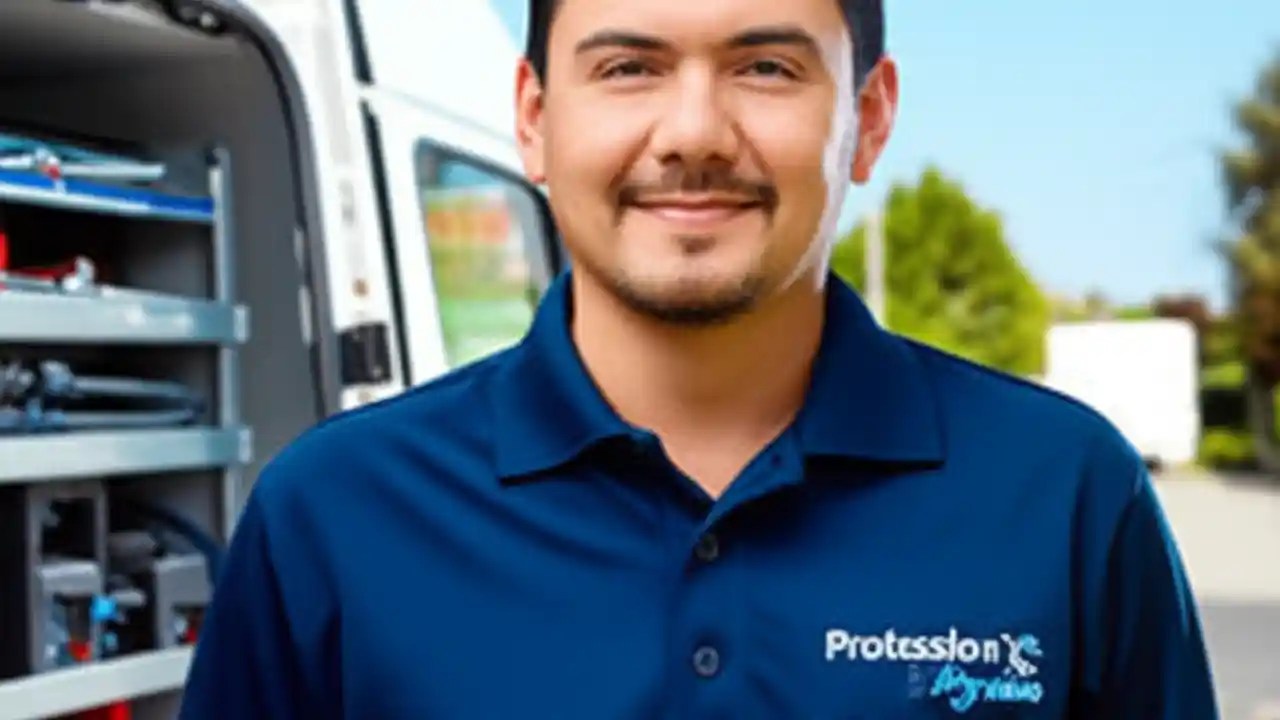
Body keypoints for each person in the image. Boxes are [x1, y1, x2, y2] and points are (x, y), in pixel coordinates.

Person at [179, 0, 1220, 717]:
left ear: (865, 119)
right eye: (628, 67)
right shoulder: (331, 515)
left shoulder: (1065, 495)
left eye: (763, 67)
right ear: (535, 121)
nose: (692, 133)